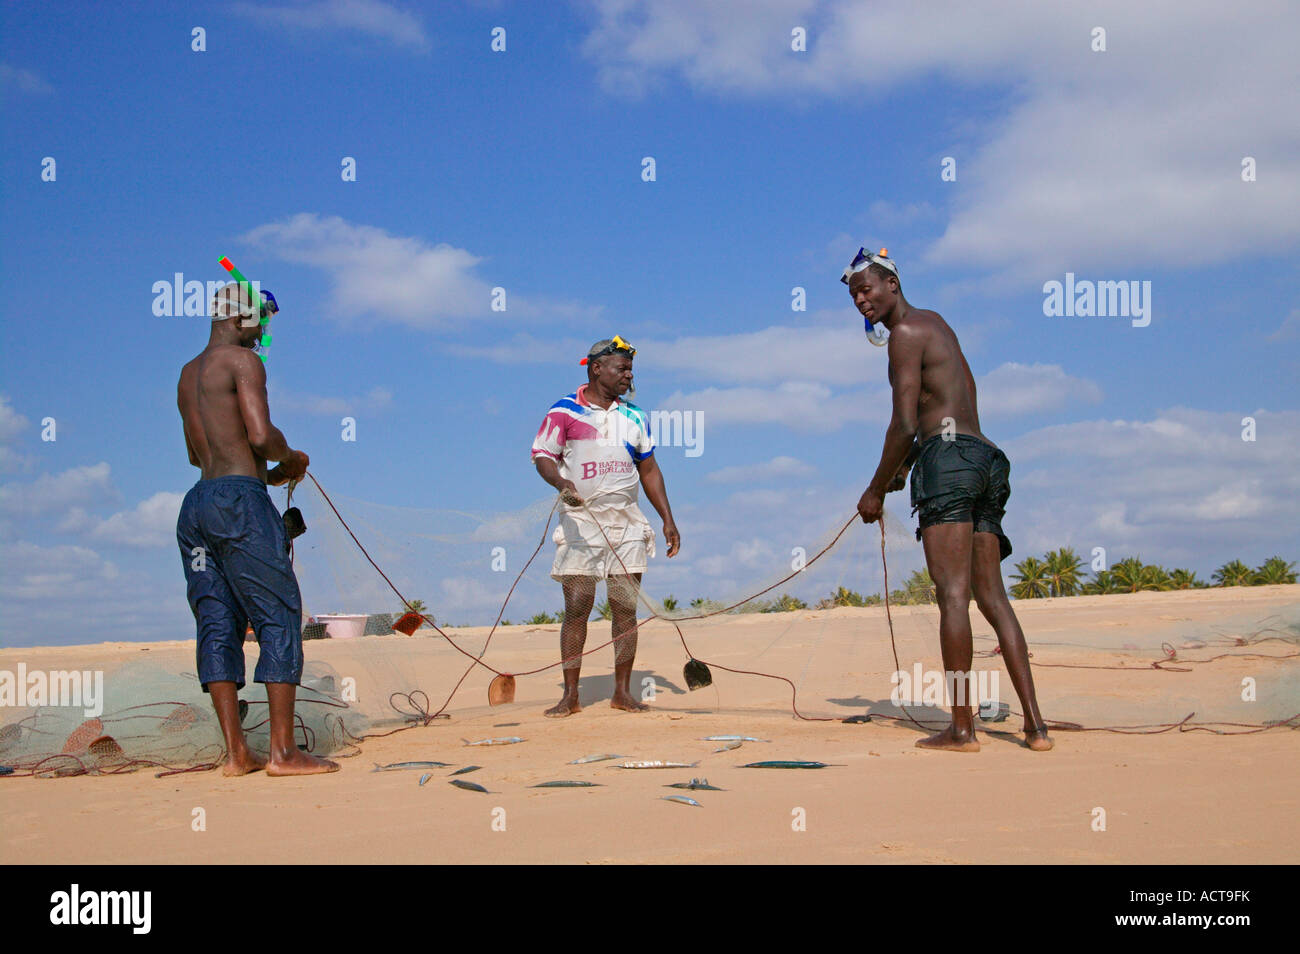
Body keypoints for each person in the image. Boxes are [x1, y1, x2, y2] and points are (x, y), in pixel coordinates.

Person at [845, 248, 1053, 752]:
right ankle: (1035, 727)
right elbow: (941, 412)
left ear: (893, 283)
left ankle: (962, 729)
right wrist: (905, 467)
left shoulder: (904, 335)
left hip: (951, 460)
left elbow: (905, 423)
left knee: (953, 594)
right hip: (985, 458)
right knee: (992, 597)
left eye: (867, 288)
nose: (860, 300)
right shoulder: (937, 324)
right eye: (853, 295)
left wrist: (876, 488)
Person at [175, 280, 337, 776]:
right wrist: (292, 458)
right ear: (242, 316)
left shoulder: (186, 375)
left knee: (217, 622)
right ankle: (284, 754)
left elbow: (197, 456)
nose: (264, 331)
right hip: (240, 505)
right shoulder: (244, 363)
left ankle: (236, 754)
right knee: (279, 614)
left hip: (198, 506)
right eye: (262, 320)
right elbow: (262, 437)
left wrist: (271, 475)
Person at [530, 336, 680, 717]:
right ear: (597, 368)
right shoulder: (564, 411)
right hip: (581, 521)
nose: (629, 376)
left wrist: (667, 519)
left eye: (630, 370)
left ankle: (621, 693)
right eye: (622, 369)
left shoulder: (634, 416)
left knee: (624, 608)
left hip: (627, 523)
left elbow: (648, 469)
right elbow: (543, 456)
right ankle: (570, 695)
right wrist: (562, 484)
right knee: (578, 605)